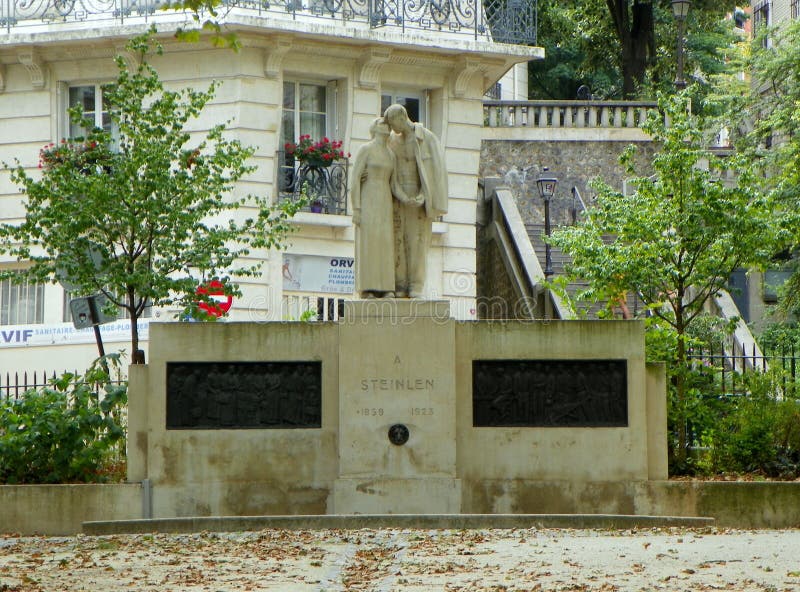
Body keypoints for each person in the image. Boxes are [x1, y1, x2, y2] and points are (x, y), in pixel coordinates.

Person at [384, 104, 448, 298]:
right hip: (398, 197)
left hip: (419, 197)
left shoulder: (426, 138)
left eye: (392, 122)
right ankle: (400, 284)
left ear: (402, 117)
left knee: (418, 241)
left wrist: (426, 195)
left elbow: (437, 171)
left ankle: (416, 285)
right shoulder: (391, 141)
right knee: (398, 241)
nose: (390, 126)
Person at [350, 118, 412, 298]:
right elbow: (354, 180)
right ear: (375, 128)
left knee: (385, 243)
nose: (385, 125)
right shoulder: (366, 150)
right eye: (381, 122)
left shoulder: (391, 155)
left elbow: (394, 185)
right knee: (369, 243)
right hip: (368, 198)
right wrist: (357, 209)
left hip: (384, 201)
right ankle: (367, 288)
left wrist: (407, 198)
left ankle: (386, 287)